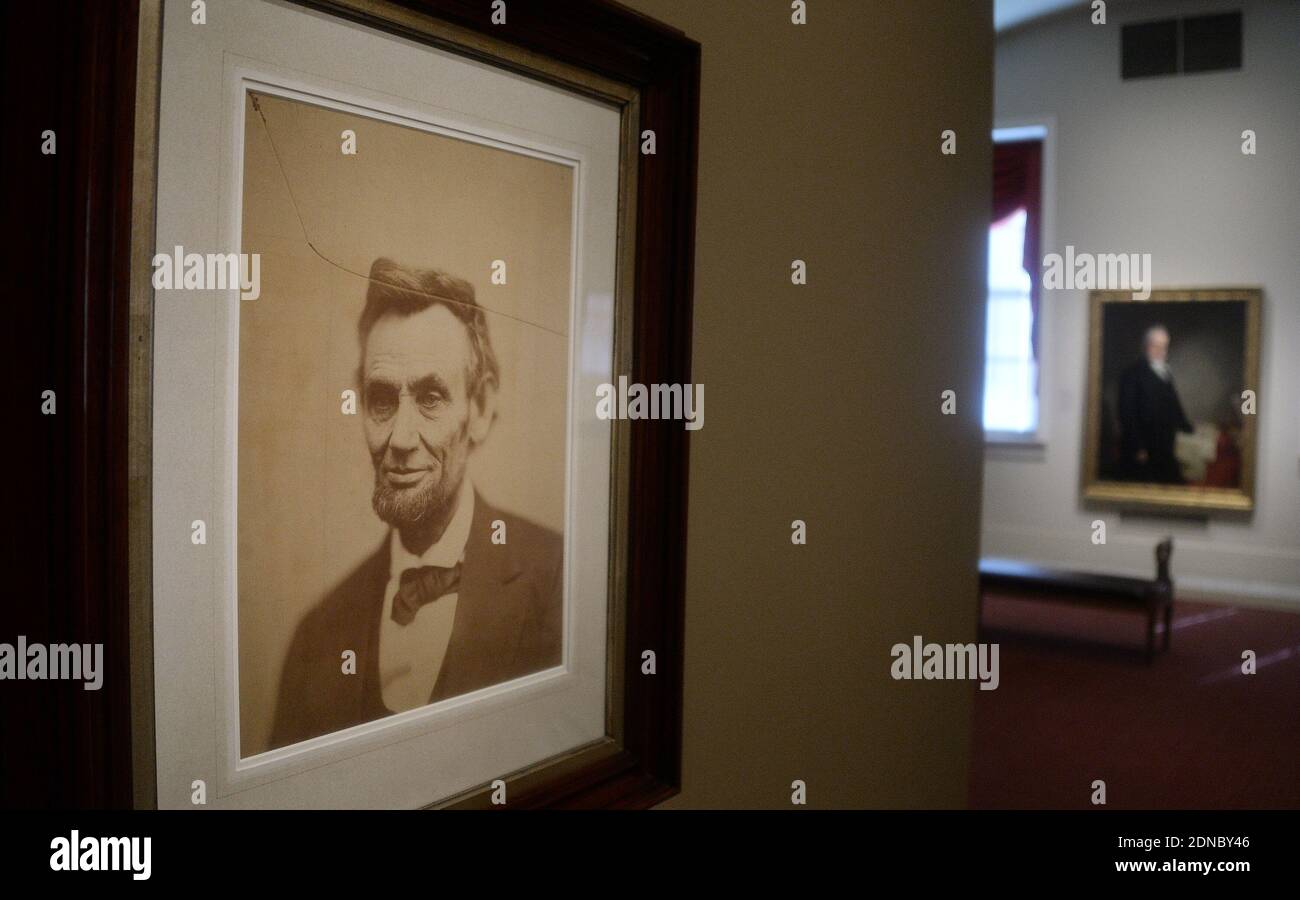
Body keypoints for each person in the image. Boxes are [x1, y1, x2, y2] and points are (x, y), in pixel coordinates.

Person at [270, 258, 562, 749]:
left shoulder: (560, 581)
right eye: (382, 399)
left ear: (482, 409)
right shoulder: (316, 638)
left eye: (430, 397)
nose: (401, 438)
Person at [1117, 324, 1194, 484]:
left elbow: (1173, 403)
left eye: (1164, 347)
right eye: (1155, 346)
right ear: (1146, 347)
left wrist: (1186, 426)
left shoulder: (1165, 371)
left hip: (1165, 441)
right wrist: (1138, 447)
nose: (1160, 351)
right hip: (1144, 444)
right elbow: (1126, 414)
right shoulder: (1132, 374)